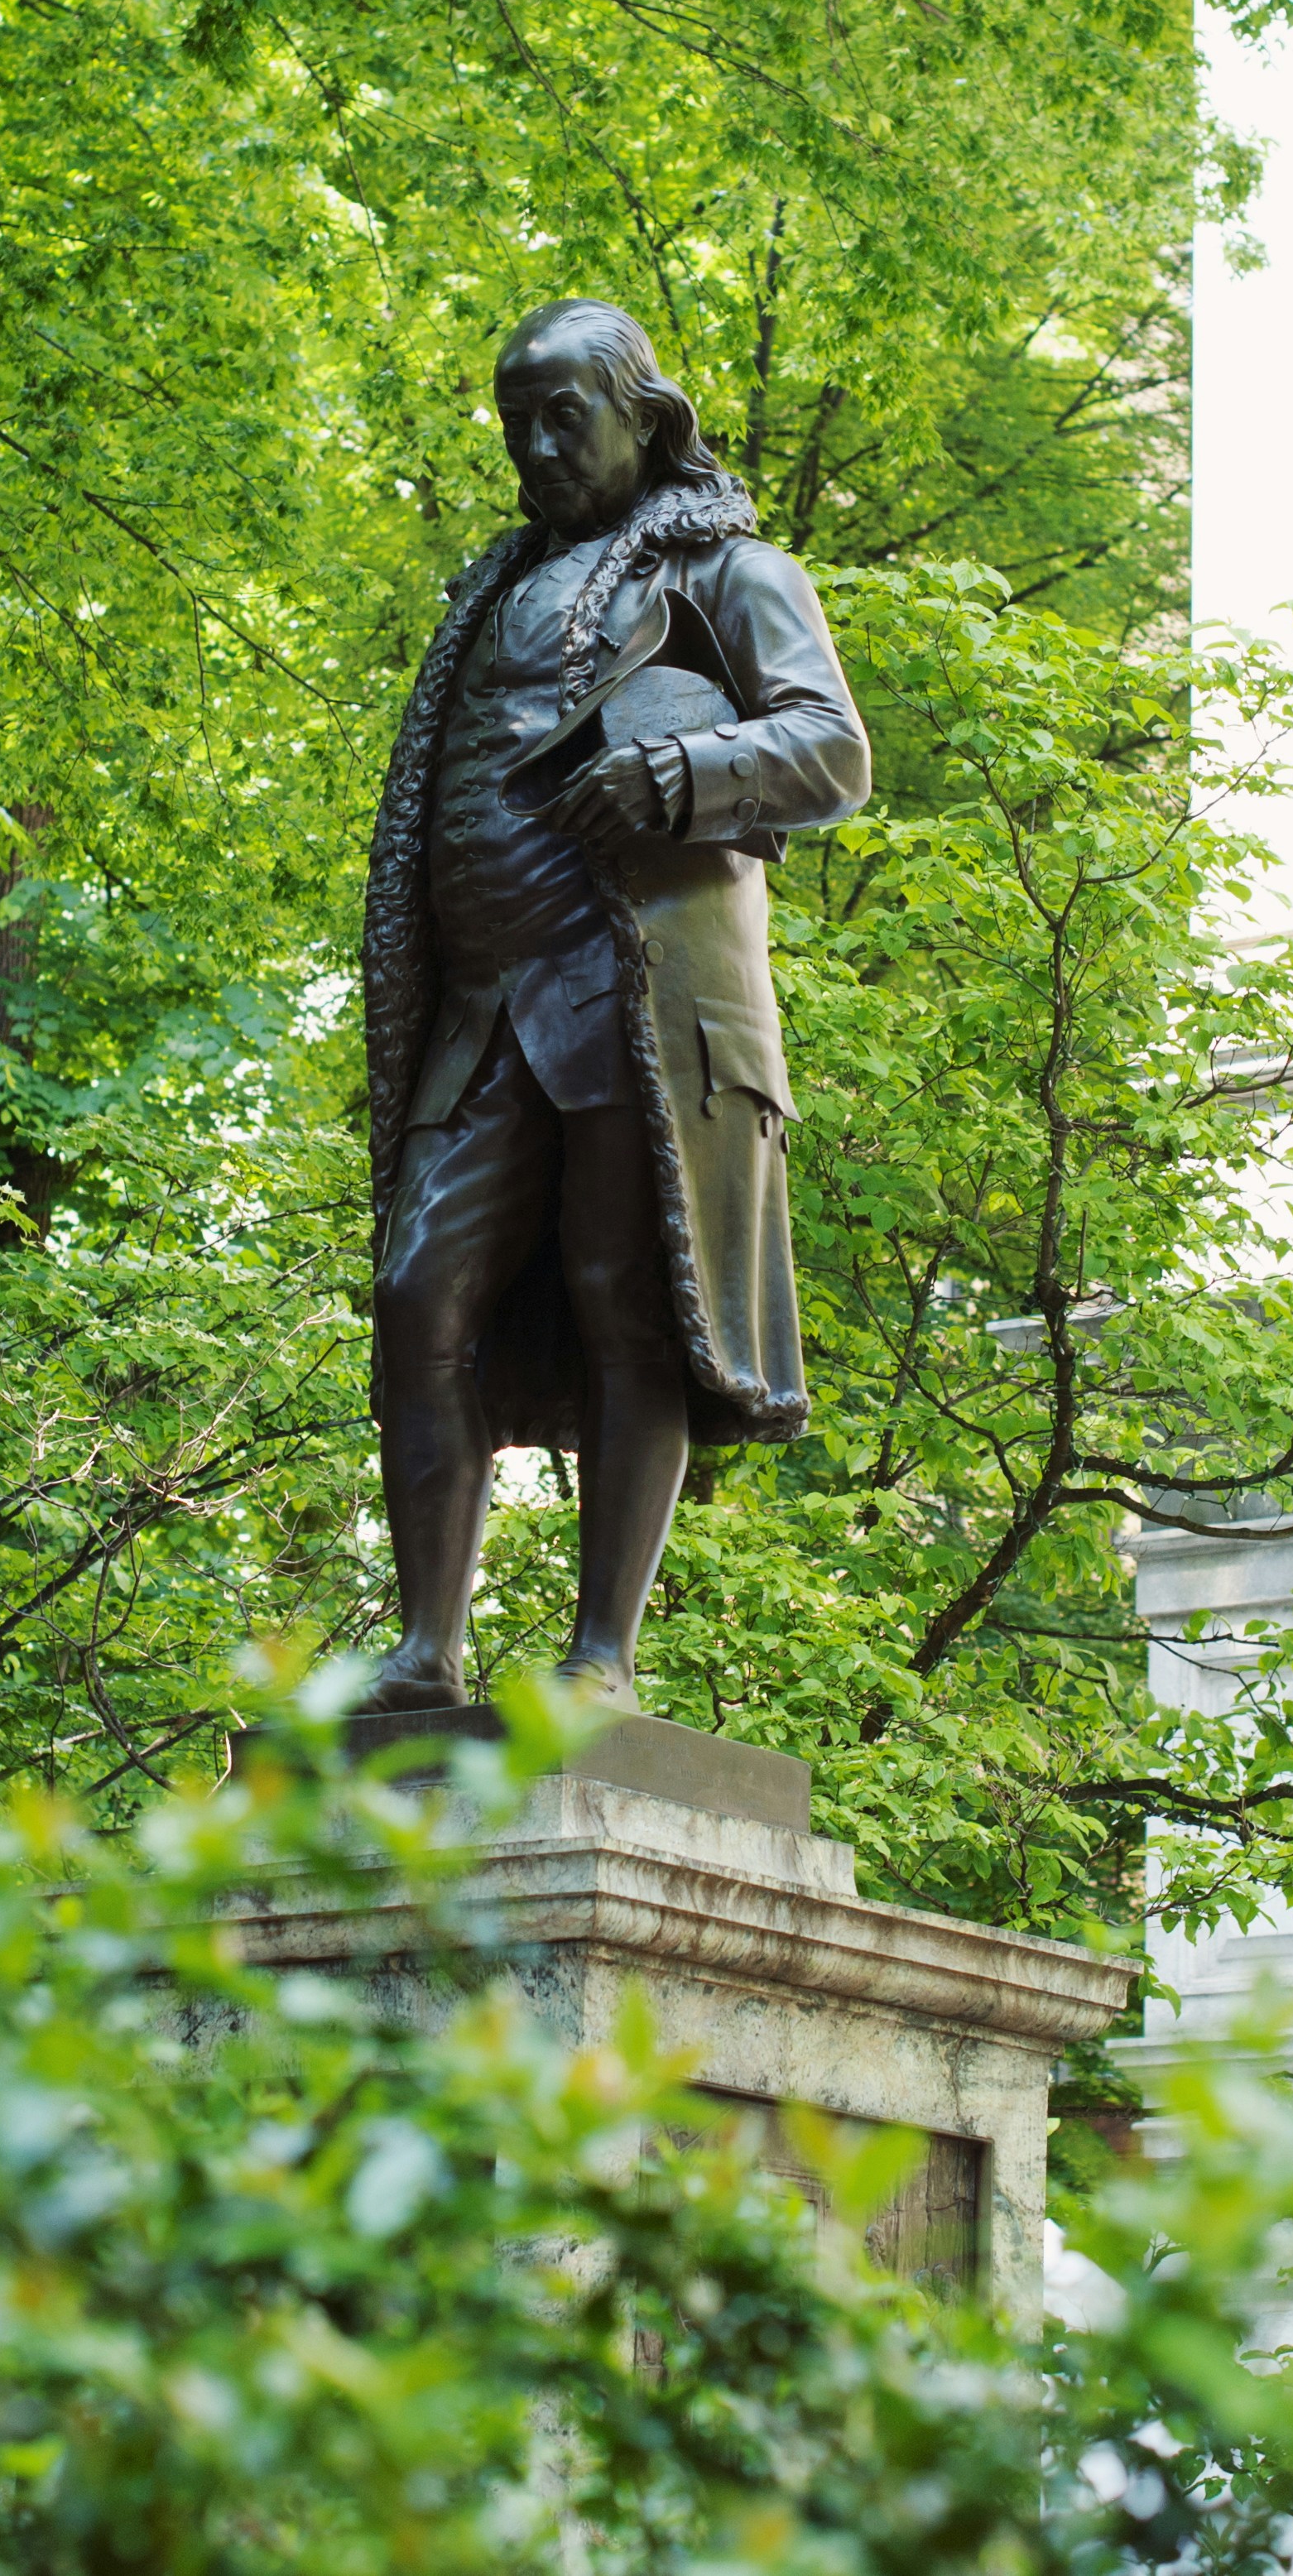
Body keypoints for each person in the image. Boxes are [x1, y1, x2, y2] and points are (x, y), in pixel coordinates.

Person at [360, 298, 871, 1711]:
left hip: (641, 994)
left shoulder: (731, 570)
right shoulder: (494, 591)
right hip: (487, 1001)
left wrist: (681, 775)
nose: (532, 447)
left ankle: (601, 1661)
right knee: (417, 1292)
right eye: (512, 420)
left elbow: (831, 749)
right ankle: (426, 1649)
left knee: (625, 1300)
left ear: (645, 417)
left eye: (560, 417)